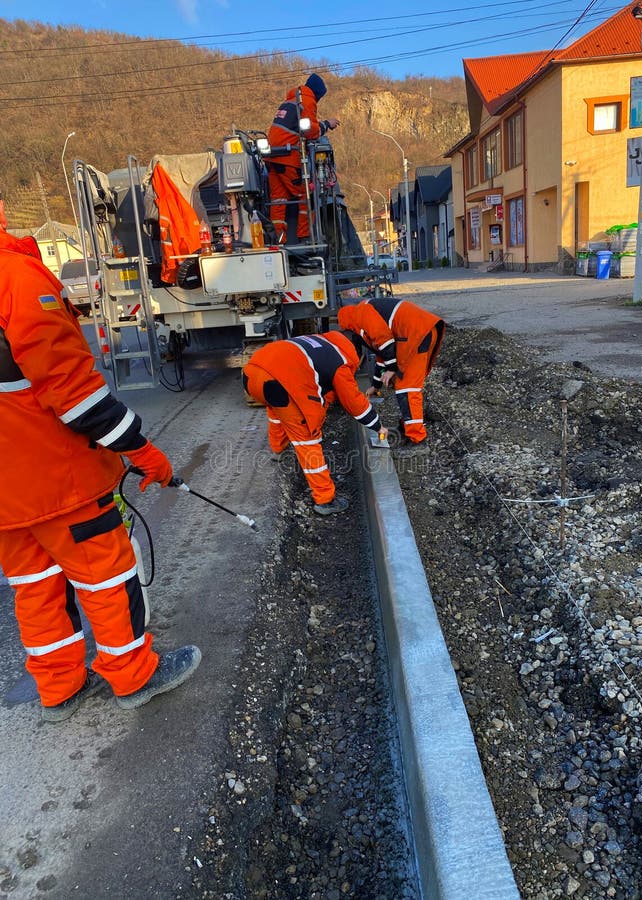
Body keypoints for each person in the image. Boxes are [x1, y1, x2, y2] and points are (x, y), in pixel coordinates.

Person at [0, 228, 201, 723]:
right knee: (107, 578)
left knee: (36, 585)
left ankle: (60, 689)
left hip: (7, 501)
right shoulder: (15, 278)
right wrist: (143, 450)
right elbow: (75, 395)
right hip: (56, 481)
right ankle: (133, 676)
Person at [242, 331, 386, 515]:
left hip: (252, 373)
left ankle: (279, 448)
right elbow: (354, 402)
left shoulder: (319, 344)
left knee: (277, 409)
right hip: (278, 382)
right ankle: (325, 499)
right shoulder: (340, 363)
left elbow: (321, 388)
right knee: (307, 438)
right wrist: (377, 426)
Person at [337, 298, 446, 457]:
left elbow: (385, 341)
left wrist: (392, 368)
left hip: (415, 334)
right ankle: (407, 428)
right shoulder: (364, 321)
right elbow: (382, 357)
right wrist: (376, 385)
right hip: (417, 333)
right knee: (404, 386)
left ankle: (418, 441)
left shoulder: (360, 314)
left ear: (347, 326)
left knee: (407, 389)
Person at [265, 72, 340, 244]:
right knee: (306, 196)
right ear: (318, 93)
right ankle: (305, 237)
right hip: (288, 157)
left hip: (271, 158)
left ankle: (279, 240)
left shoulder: (290, 101)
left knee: (278, 200)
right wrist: (327, 124)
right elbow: (310, 130)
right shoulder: (307, 100)